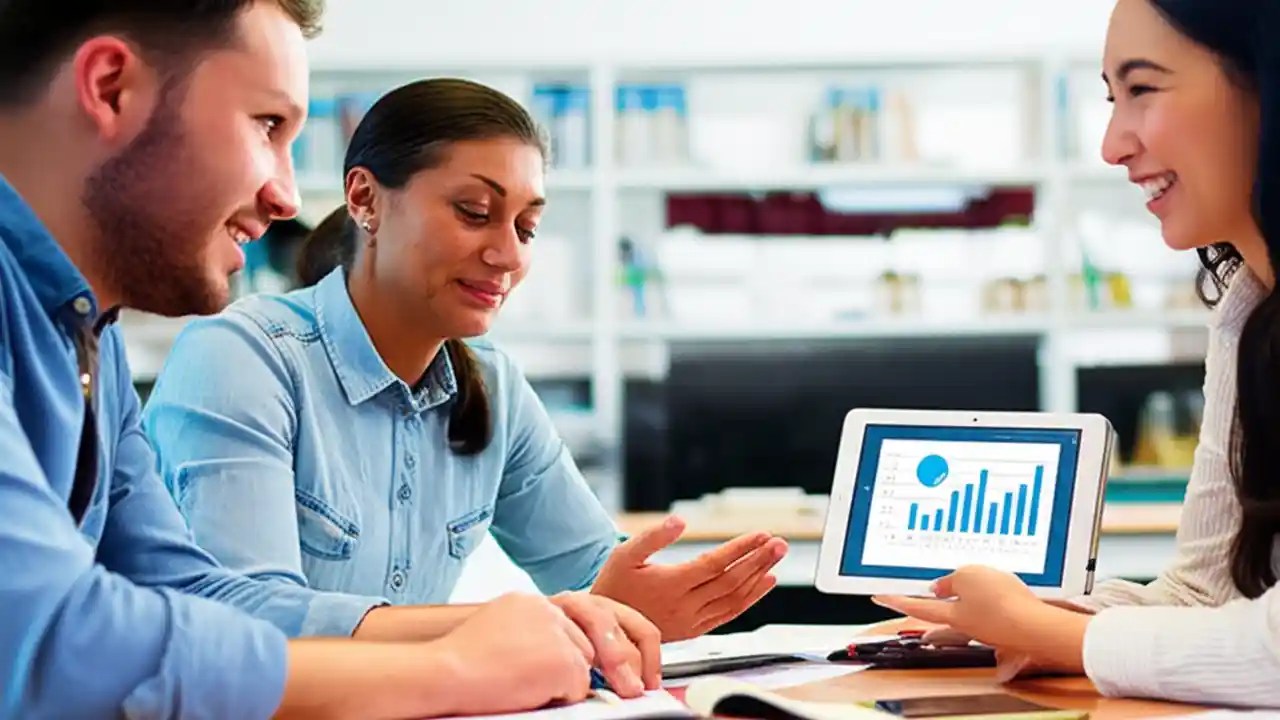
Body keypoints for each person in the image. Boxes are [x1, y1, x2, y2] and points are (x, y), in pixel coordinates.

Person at [0, 2, 662, 717]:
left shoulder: (85, 332)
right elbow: (58, 639)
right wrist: (450, 667)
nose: (286, 198)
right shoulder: (236, 352)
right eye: (266, 126)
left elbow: (196, 595)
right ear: (109, 89)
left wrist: (521, 625)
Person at [142, 76, 791, 643]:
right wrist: (535, 624)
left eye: (526, 227)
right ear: (365, 200)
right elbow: (250, 623)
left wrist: (652, 598)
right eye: (474, 212)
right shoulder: (242, 359)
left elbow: (596, 576)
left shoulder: (493, 385)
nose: (508, 255)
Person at [873, 0, 1280, 708]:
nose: (1113, 144)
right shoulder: (1247, 309)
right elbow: (1205, 592)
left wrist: (1040, 628)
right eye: (1110, 97)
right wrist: (1021, 622)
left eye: (1143, 89)